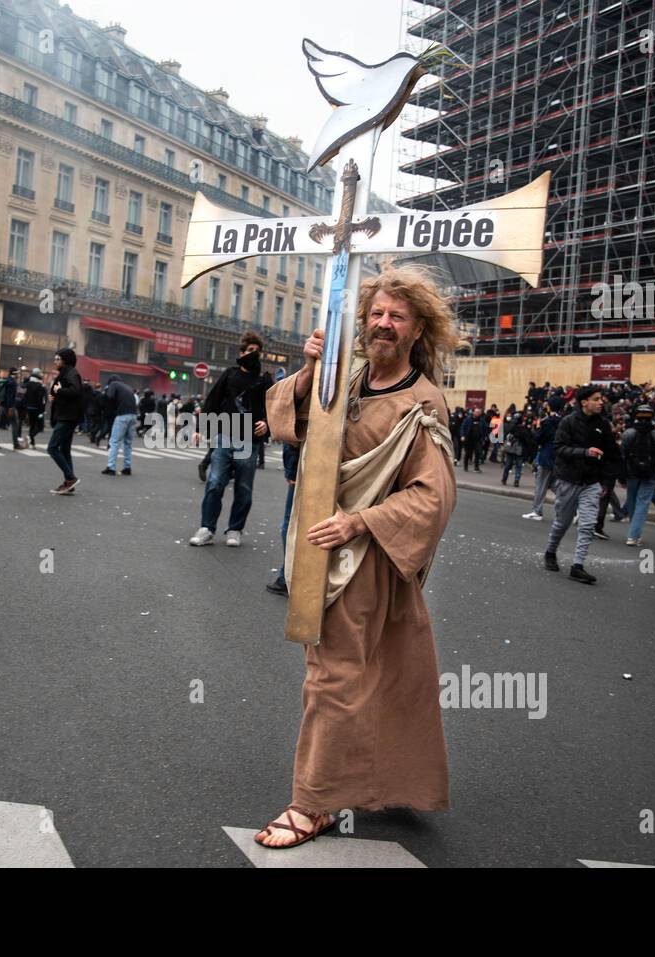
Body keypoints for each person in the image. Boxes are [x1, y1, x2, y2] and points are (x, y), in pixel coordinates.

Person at [254, 265, 457, 849]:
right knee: (374, 675)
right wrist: (312, 372)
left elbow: (432, 496)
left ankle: (312, 802)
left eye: (397, 316)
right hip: (321, 544)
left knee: (333, 677)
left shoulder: (422, 402)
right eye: (376, 314)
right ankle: (381, 781)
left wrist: (360, 520)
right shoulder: (345, 377)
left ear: (418, 329)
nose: (384, 324)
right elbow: (284, 425)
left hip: (365, 557)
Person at [188, 331, 269, 547]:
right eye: (250, 351)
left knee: (244, 488)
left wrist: (267, 423)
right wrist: (199, 428)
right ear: (242, 352)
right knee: (215, 482)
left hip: (249, 441)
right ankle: (207, 528)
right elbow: (213, 400)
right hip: (224, 436)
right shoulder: (230, 374)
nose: (254, 355)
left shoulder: (264, 379)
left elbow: (274, 407)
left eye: (257, 352)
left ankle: (235, 529)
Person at [543, 385, 617, 585]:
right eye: (596, 399)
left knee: (587, 525)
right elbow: (559, 448)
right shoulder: (568, 422)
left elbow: (611, 455)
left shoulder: (604, 425)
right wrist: (584, 452)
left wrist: (607, 483)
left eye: (601, 399)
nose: (601, 402)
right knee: (562, 522)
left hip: (591, 482)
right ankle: (550, 552)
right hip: (568, 479)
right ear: (584, 402)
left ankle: (578, 566)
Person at [621, 404, 655, 546]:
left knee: (631, 501)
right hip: (650, 473)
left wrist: (622, 474)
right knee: (643, 503)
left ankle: (633, 532)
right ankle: (634, 535)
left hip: (632, 472)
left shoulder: (628, 433)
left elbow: (623, 454)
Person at [265, 440, 300, 596]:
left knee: (292, 522)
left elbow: (291, 436)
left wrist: (291, 471)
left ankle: (287, 577)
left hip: (304, 465)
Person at [47, 348, 84, 494]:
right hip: (66, 415)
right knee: (64, 449)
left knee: (52, 448)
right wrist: (55, 396)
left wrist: (58, 391)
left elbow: (75, 391)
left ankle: (70, 478)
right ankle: (70, 483)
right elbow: (64, 392)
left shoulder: (71, 373)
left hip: (68, 417)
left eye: (57, 359)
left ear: (65, 360)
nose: (55, 361)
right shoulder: (65, 373)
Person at [522, 397, 563, 520]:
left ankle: (537, 511)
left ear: (550, 407)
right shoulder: (563, 421)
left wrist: (538, 427)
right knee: (552, 483)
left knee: (541, 484)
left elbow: (538, 439)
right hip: (557, 456)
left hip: (546, 455)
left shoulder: (547, 422)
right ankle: (571, 504)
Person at [100, 373, 137, 476]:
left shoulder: (114, 384)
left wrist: (106, 391)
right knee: (128, 443)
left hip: (122, 416)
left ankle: (111, 467)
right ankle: (127, 468)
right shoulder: (128, 387)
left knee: (114, 441)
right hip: (133, 416)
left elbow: (110, 396)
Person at [0, 367, 20, 449]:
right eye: (17, 373)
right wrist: (10, 408)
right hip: (9, 406)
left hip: (2, 405)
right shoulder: (12, 383)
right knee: (15, 424)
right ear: (14, 374)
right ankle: (16, 444)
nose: (18, 375)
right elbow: (10, 396)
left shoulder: (4, 380)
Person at [22, 368, 47, 448]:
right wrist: (43, 410)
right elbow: (42, 399)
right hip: (38, 409)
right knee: (40, 426)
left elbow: (24, 396)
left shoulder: (28, 384)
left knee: (32, 425)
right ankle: (30, 437)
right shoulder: (40, 386)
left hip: (29, 408)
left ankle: (32, 443)